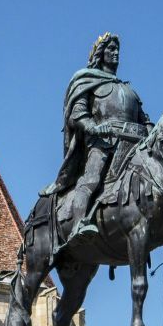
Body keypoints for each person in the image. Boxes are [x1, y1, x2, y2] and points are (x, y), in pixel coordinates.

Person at [43, 32, 153, 246]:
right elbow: (78, 113)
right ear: (101, 54)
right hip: (104, 143)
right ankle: (78, 225)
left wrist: (154, 131)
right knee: (91, 179)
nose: (116, 53)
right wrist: (94, 127)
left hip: (135, 145)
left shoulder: (129, 90)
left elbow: (144, 119)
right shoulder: (89, 82)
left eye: (117, 50)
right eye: (111, 49)